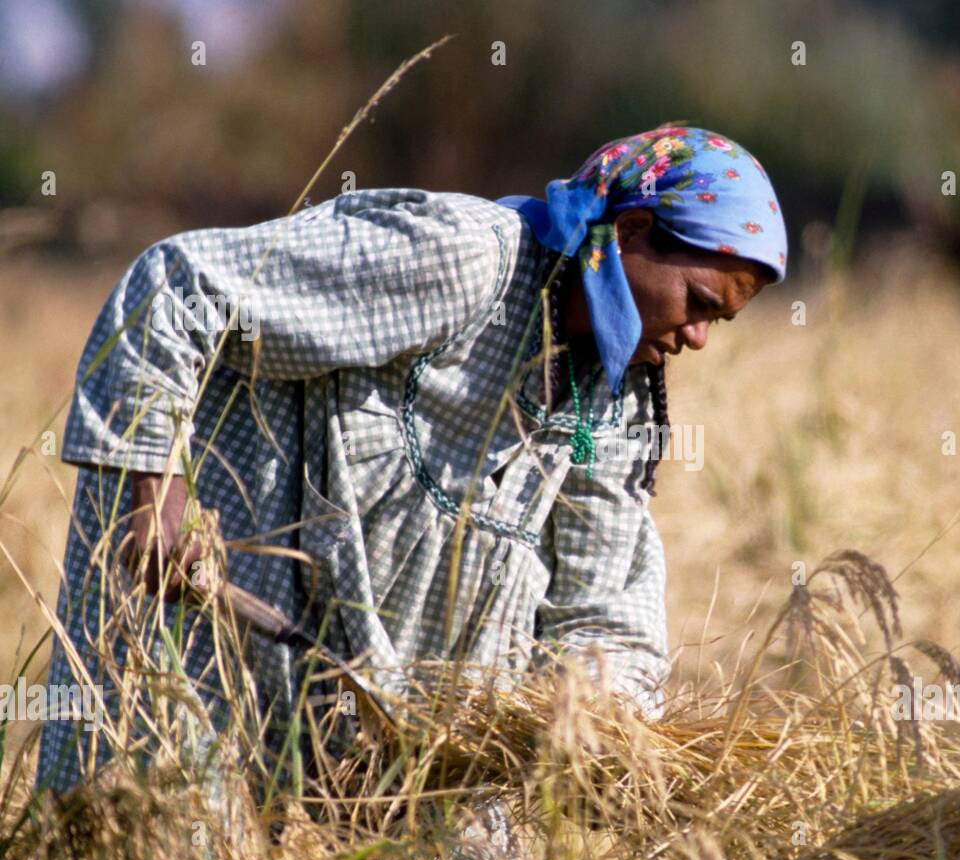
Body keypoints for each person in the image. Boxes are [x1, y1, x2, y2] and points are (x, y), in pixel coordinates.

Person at [35, 124, 788, 795]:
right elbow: (177, 290)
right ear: (629, 230)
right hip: (197, 600)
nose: (698, 340)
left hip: (379, 739)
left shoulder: (610, 403)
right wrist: (156, 493)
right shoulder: (462, 260)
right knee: (163, 852)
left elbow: (602, 604)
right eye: (698, 301)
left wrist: (595, 724)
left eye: (717, 320)